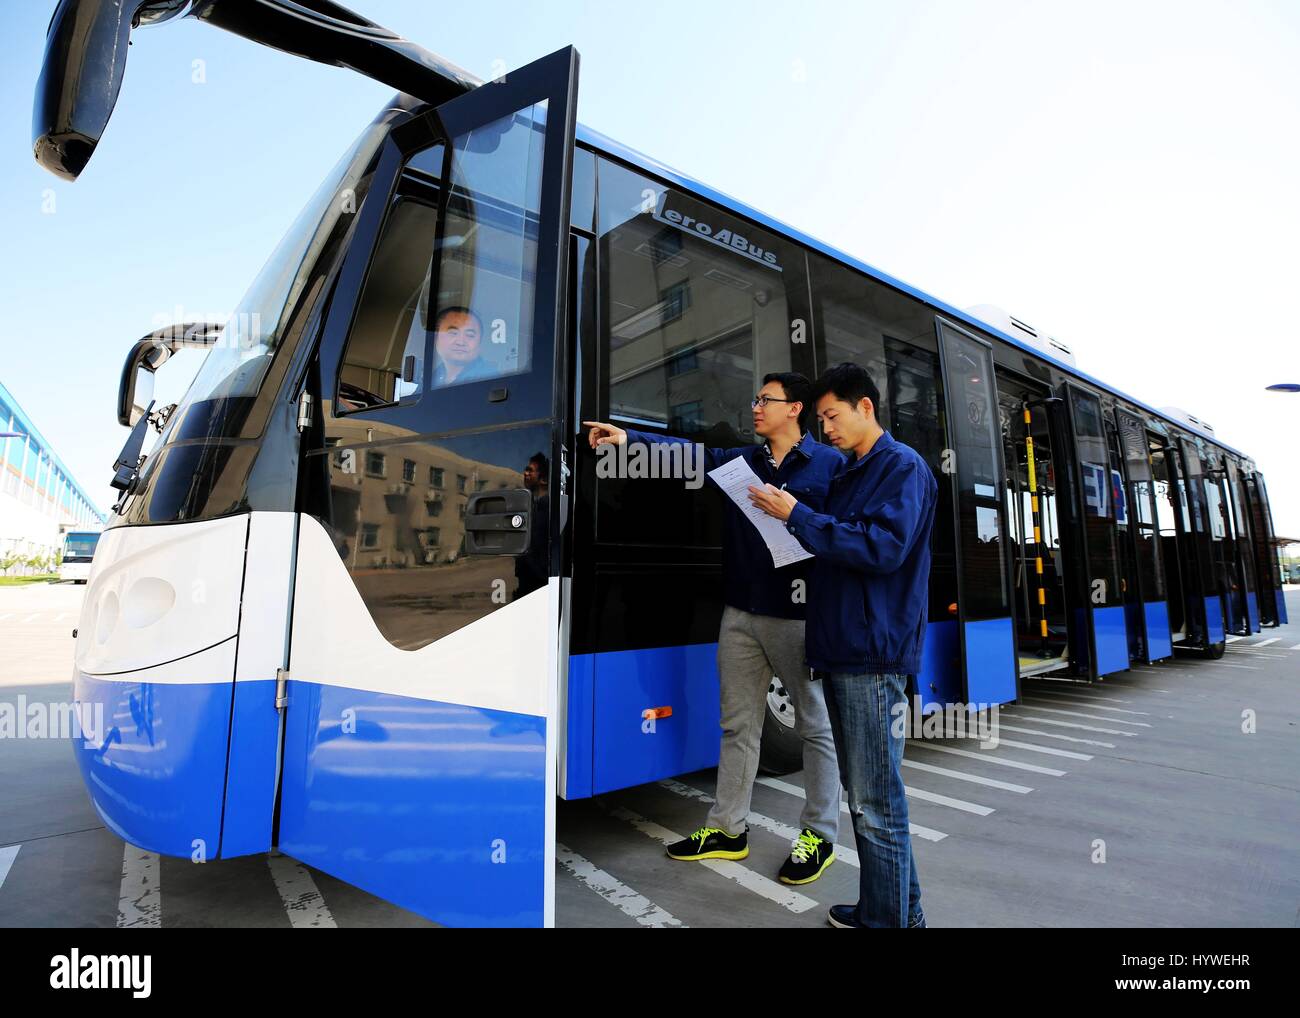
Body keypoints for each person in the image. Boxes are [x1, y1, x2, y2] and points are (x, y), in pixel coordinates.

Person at [585, 373, 844, 885]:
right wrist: (629, 440)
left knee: (815, 726)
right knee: (737, 725)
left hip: (800, 613)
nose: (755, 407)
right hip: (742, 613)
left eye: (766, 400)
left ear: (794, 409)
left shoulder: (831, 465)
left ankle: (819, 834)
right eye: (754, 399)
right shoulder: (741, 460)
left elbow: (844, 536)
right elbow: (689, 454)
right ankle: (728, 829)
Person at [749, 362, 937, 928]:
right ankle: (896, 909)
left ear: (866, 409)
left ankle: (889, 921)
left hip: (870, 654)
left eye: (832, 415)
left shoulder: (901, 467)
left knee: (876, 803)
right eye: (822, 417)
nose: (825, 427)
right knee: (871, 798)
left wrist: (800, 516)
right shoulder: (854, 470)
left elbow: (884, 548)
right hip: (843, 648)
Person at [432, 306, 497, 386]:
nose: (460, 342)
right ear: (435, 338)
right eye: (453, 333)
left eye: (470, 335)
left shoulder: (490, 377)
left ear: (480, 344)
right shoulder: (430, 379)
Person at [514, 452, 549, 597]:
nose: (525, 473)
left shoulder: (547, 508)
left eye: (530, 470)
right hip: (527, 583)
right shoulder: (531, 507)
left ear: (544, 479)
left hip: (538, 586)